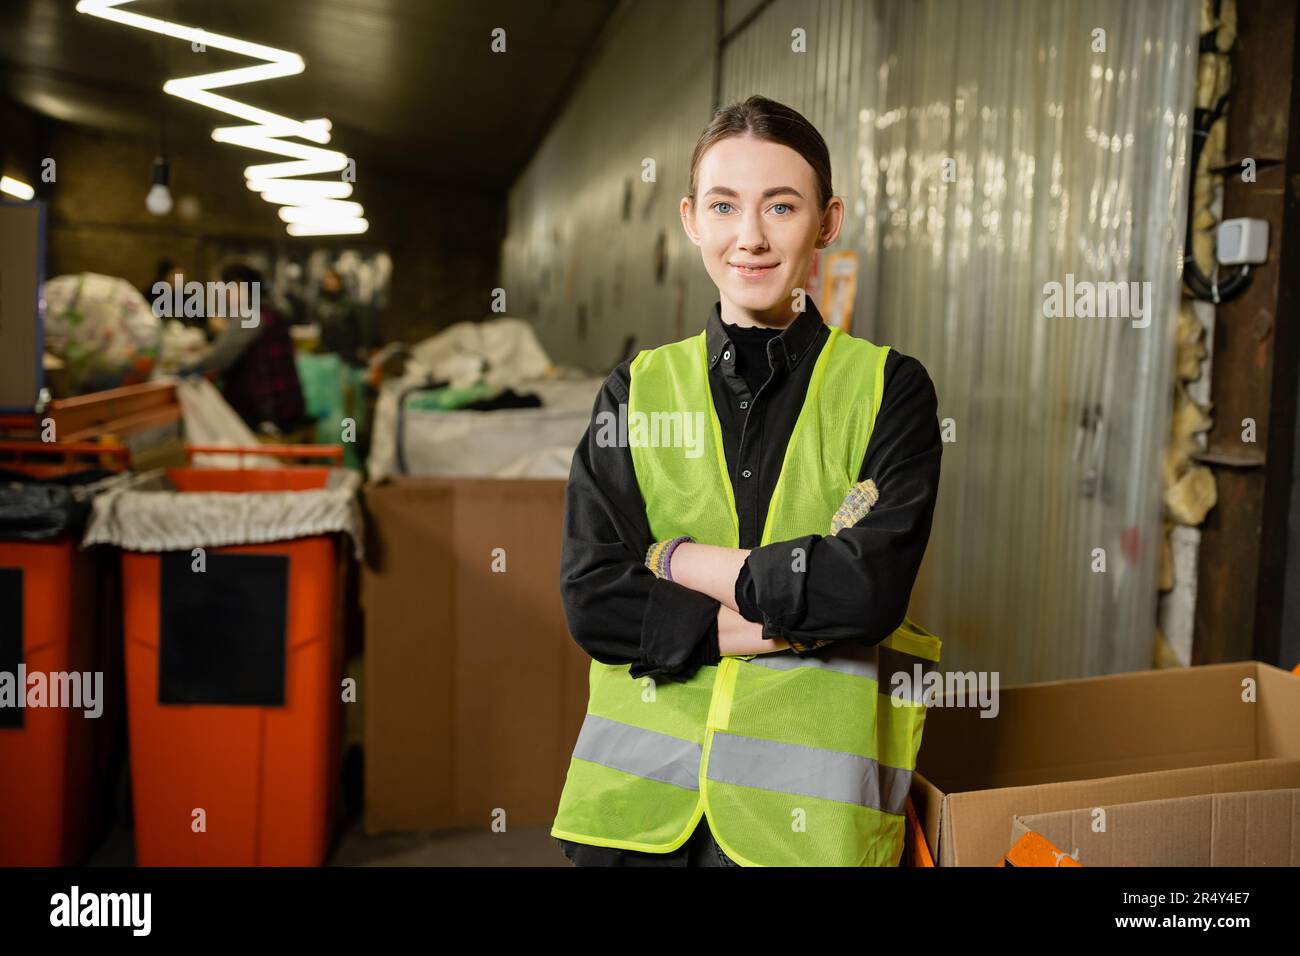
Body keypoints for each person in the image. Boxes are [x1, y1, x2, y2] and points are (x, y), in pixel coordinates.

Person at [551, 95, 944, 867]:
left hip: (804, 835)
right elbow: (595, 600)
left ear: (827, 222)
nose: (751, 237)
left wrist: (677, 562)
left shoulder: (888, 389)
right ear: (692, 219)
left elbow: (866, 594)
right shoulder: (636, 389)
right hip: (633, 828)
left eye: (782, 206)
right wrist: (802, 619)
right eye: (726, 206)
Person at [180, 262, 307, 436]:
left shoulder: (249, 316)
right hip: (286, 405)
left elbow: (218, 359)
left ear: (238, 285)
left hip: (264, 411)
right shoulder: (271, 309)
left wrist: (182, 370)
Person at [313, 267, 378, 366]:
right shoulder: (319, 303)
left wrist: (363, 348)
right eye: (326, 278)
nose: (328, 281)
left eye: (331, 278)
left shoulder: (349, 303)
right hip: (326, 354)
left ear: (339, 281)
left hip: (346, 355)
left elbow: (360, 328)